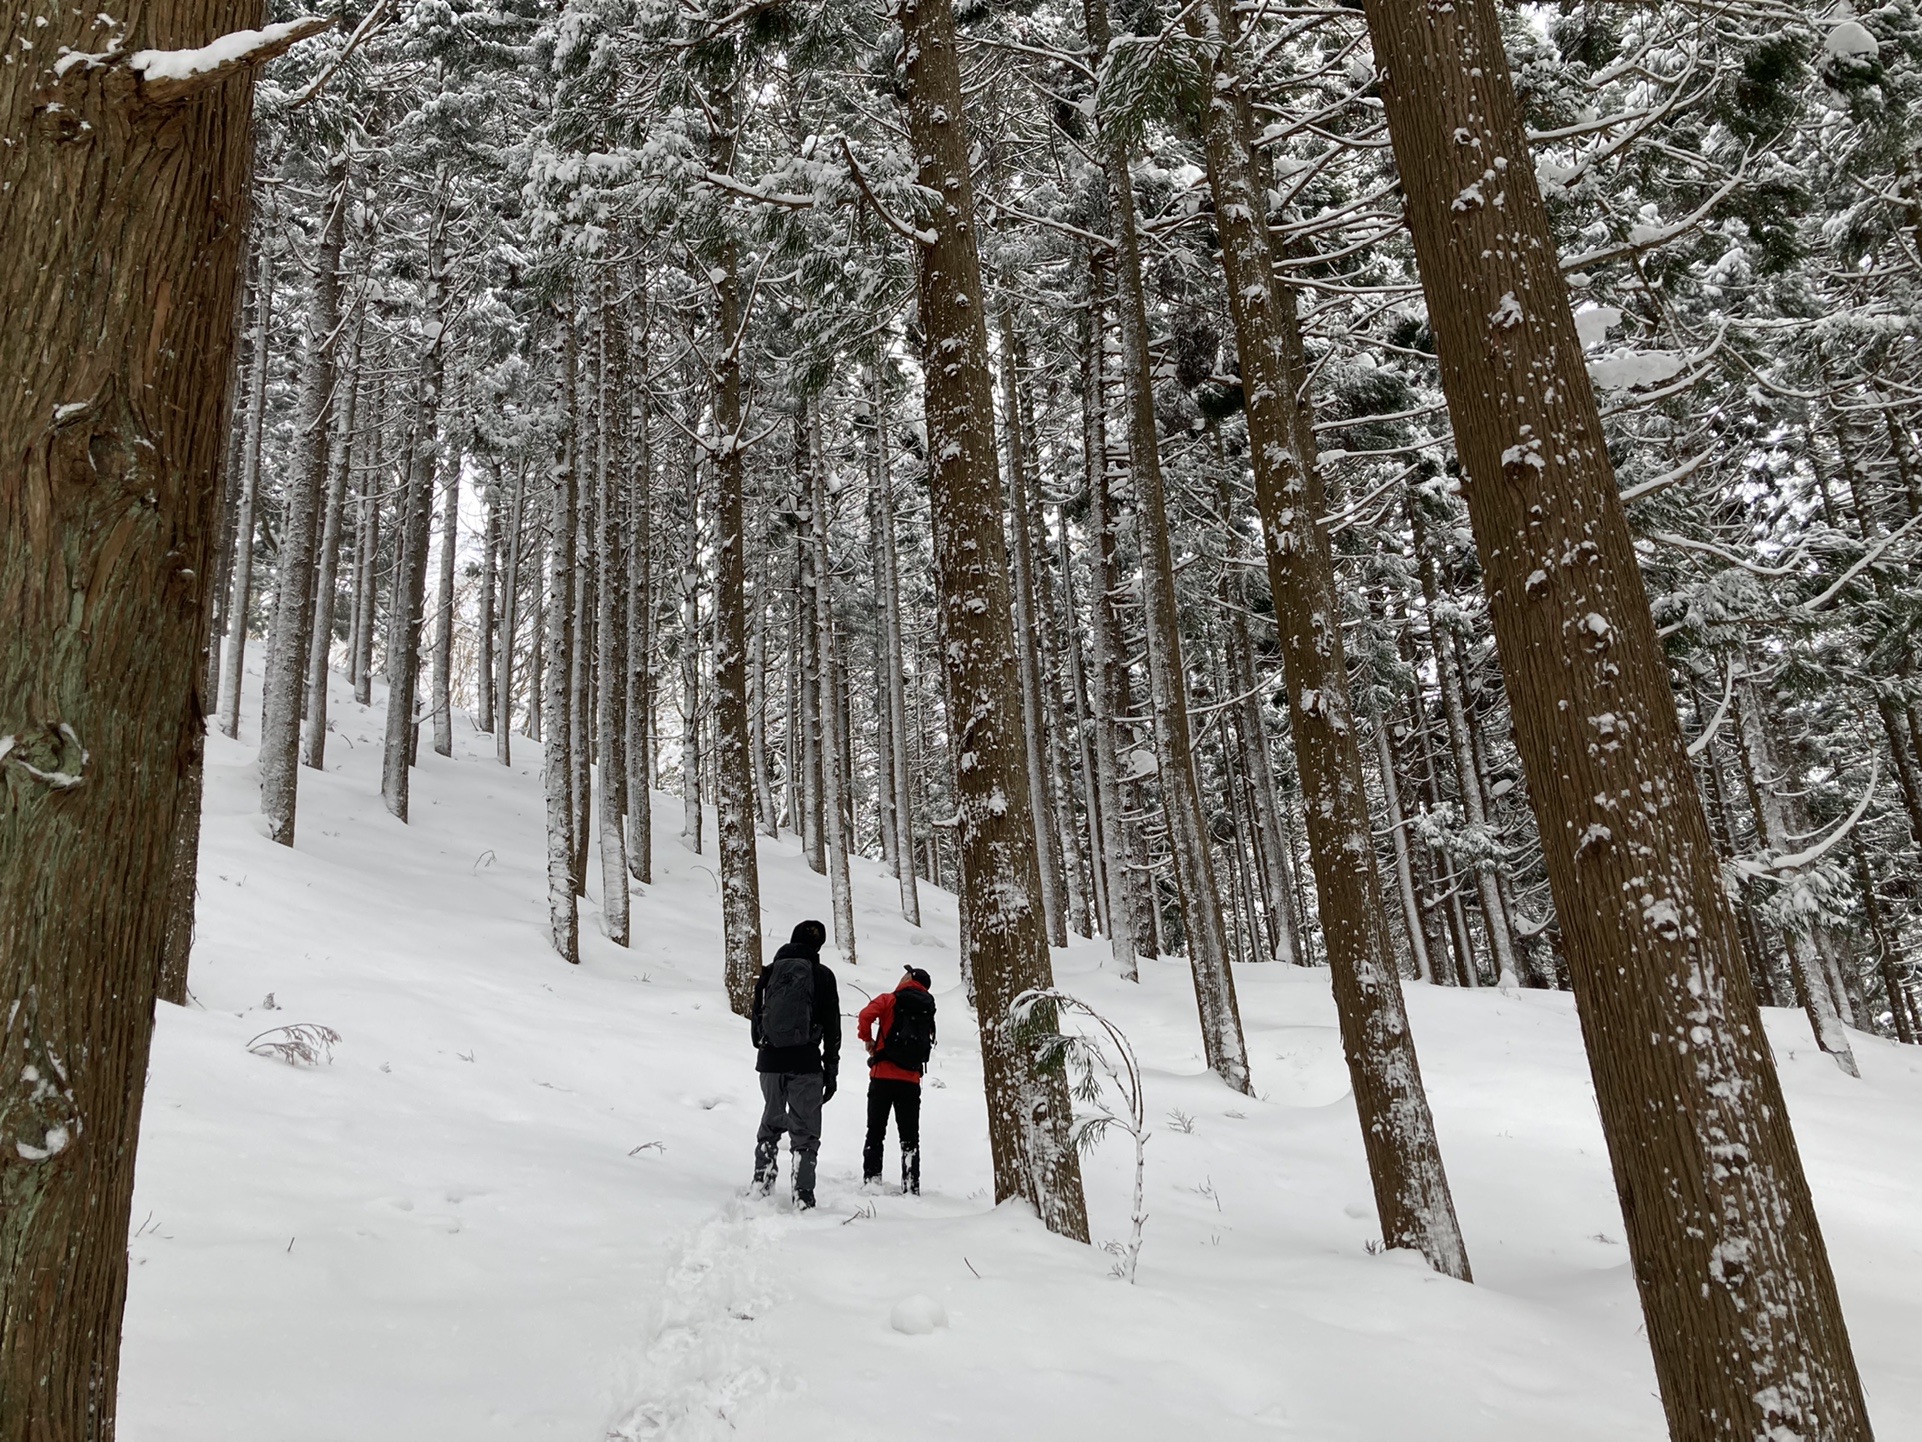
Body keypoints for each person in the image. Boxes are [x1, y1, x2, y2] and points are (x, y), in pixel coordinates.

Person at [750, 919, 840, 1210]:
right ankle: (803, 1196)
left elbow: (756, 1024)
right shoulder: (822, 975)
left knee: (771, 1122)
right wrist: (831, 1071)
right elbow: (833, 1029)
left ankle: (762, 1183)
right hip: (806, 1063)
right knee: (805, 1132)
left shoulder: (769, 973)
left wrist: (768, 1048)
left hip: (770, 1061)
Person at [858, 965, 936, 1194]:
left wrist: (867, 1039)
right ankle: (911, 1186)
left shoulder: (890, 999)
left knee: (875, 1131)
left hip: (882, 1075)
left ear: (909, 978)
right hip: (911, 1079)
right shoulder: (927, 1006)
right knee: (909, 1137)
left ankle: (872, 1181)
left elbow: (865, 1015)